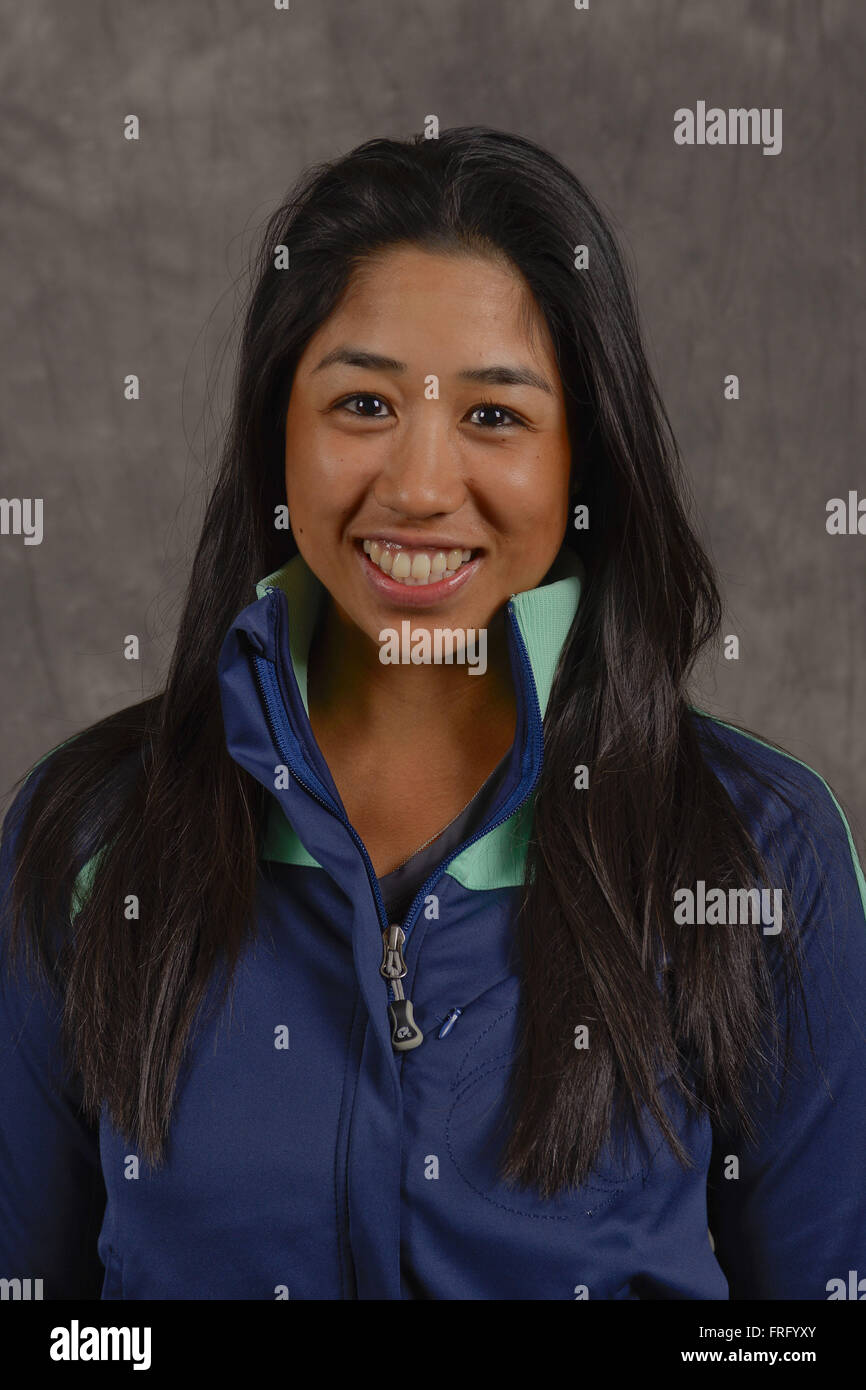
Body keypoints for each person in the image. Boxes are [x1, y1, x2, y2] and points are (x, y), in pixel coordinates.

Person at [1, 126, 864, 1301]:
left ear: (582, 465)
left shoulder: (757, 850)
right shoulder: (90, 831)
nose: (415, 486)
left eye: (494, 417)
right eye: (361, 402)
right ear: (276, 438)